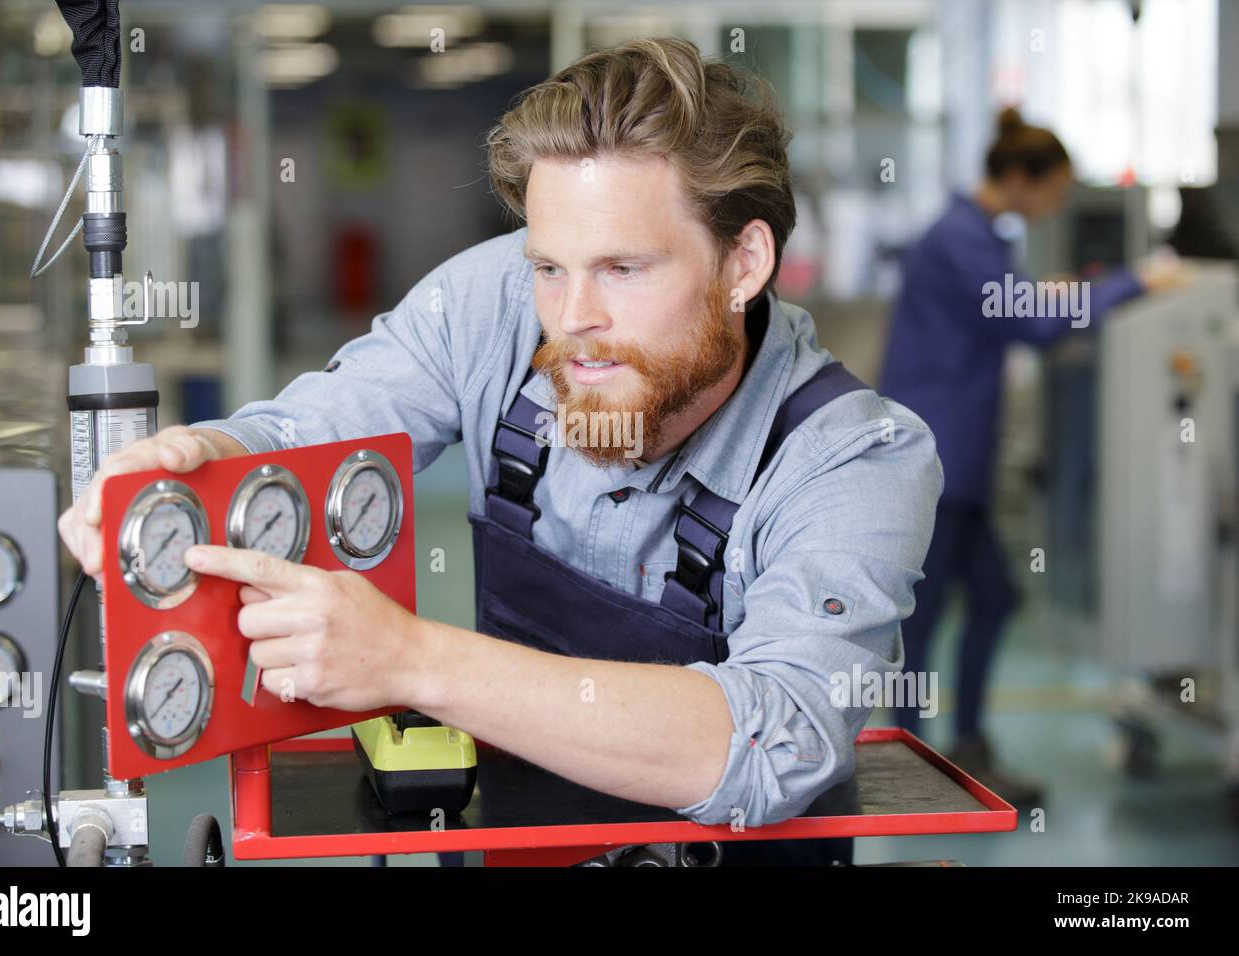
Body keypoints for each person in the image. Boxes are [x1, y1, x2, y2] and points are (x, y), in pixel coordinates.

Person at [59, 38, 942, 865]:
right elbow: (311, 432)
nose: (571, 320)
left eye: (623, 270)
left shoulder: (855, 458)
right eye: (550, 267)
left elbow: (773, 740)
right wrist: (201, 455)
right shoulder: (494, 301)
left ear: (744, 262)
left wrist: (410, 659)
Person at [879, 107, 1183, 806]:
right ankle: (911, 760)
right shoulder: (963, 239)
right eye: (1054, 191)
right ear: (1019, 178)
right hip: (937, 462)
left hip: (952, 458)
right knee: (929, 618)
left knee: (990, 597)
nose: (1057, 207)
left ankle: (961, 748)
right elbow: (1032, 323)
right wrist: (1135, 283)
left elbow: (1011, 309)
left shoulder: (974, 237)